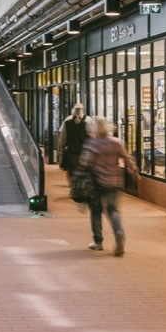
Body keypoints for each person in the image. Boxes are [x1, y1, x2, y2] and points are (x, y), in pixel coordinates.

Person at [80, 115, 137, 255]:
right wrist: (133, 171)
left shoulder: (92, 144)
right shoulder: (117, 142)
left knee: (96, 210)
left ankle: (98, 242)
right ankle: (119, 233)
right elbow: (127, 158)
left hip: (97, 183)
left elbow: (85, 163)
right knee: (113, 210)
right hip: (114, 182)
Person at [59, 101, 87, 180]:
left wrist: (62, 146)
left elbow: (63, 137)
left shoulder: (67, 121)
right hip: (82, 150)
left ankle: (73, 183)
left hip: (71, 149)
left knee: (71, 168)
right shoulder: (88, 121)